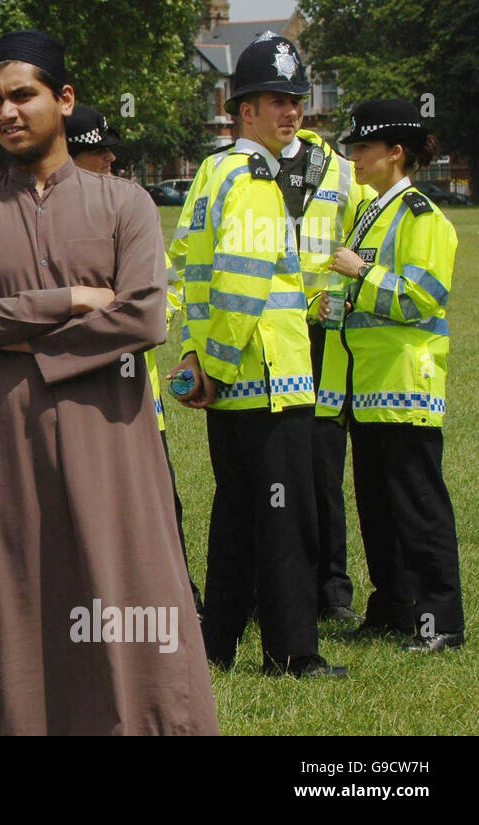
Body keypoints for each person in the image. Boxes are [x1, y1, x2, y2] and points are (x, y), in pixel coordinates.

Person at [0, 30, 217, 735]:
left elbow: (145, 316)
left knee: (127, 582)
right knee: (16, 597)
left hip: (110, 435)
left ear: (64, 98)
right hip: (3, 441)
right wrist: (66, 302)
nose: (7, 112)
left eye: (23, 95)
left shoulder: (126, 204)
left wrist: (23, 341)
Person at [170, 34, 347, 677]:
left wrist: (200, 358)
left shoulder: (212, 173)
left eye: (296, 100)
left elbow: (190, 270)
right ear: (244, 108)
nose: (292, 112)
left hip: (234, 385)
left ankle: (218, 642)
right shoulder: (255, 181)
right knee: (286, 520)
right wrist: (215, 362)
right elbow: (243, 285)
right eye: (277, 101)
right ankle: (293, 653)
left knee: (236, 515)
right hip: (268, 379)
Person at [327, 99, 462, 652]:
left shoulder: (421, 216)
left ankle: (440, 623)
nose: (354, 157)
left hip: (405, 384)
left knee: (418, 506)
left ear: (395, 153)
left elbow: (421, 296)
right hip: (369, 385)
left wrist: (361, 272)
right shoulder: (373, 212)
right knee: (377, 506)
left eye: (363, 147)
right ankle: (392, 610)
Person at [67, 103, 203, 613]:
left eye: (109, 149)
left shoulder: (131, 210)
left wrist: (113, 316)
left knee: (159, 508)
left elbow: (163, 296)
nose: (110, 158)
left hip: (136, 398)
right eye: (97, 150)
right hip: (75, 397)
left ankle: (180, 600)